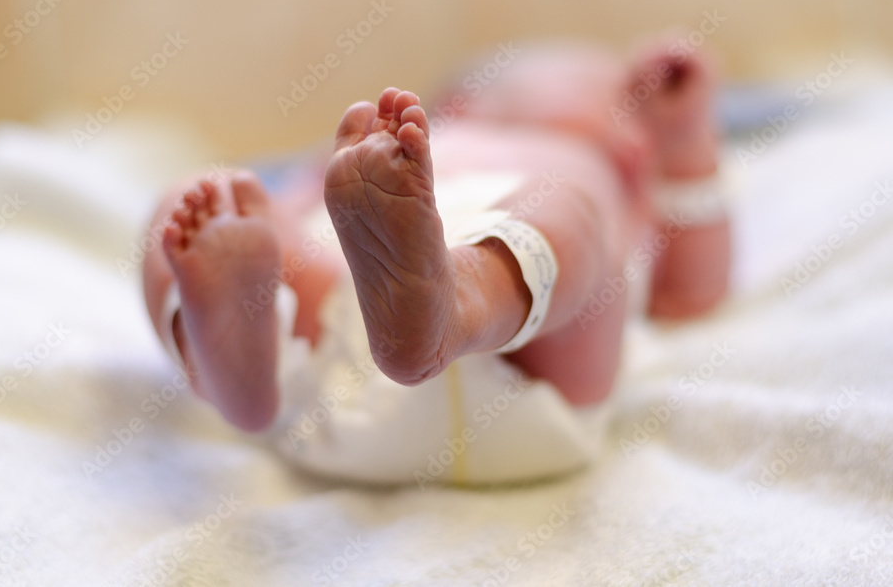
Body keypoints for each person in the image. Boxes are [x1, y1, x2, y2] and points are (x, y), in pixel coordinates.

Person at [140, 35, 731, 484]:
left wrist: (687, 144)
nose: (639, 135)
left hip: (531, 367)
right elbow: (286, 216)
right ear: (464, 105)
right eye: (618, 103)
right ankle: (240, 367)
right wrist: (256, 231)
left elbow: (690, 294)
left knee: (572, 214)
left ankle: (466, 299)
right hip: (330, 342)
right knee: (212, 200)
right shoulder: (393, 155)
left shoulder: (615, 196)